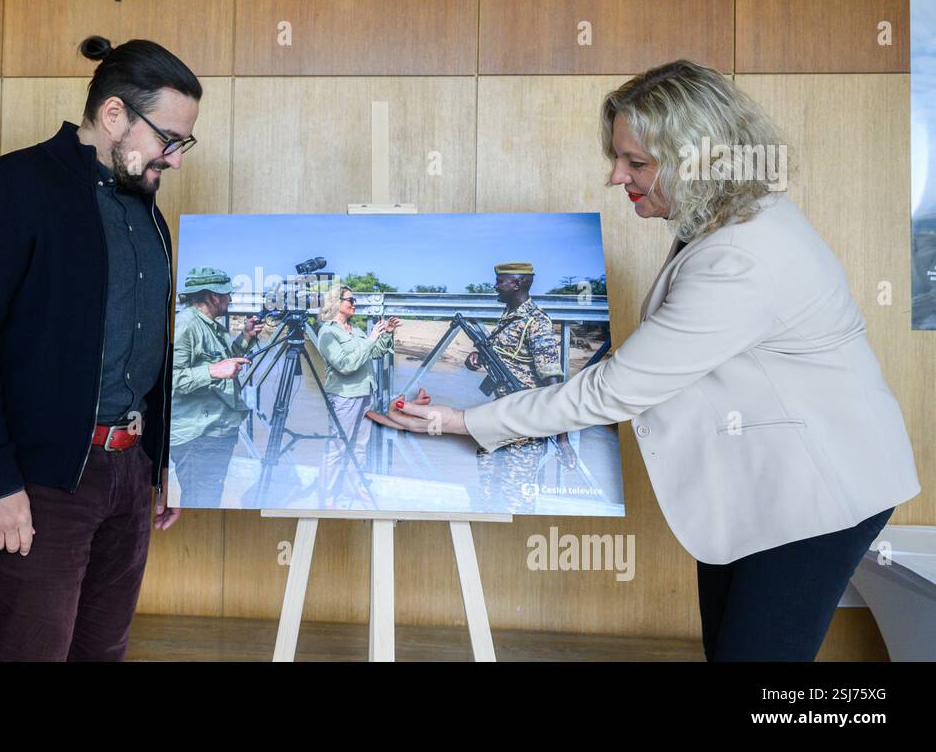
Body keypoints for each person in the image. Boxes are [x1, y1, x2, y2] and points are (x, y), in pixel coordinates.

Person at [369, 60, 921, 661]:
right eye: (618, 157)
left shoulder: (739, 255)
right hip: (770, 482)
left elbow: (613, 390)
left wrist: (461, 421)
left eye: (637, 162)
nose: (616, 177)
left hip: (813, 491)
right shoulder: (731, 222)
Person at [0, 35, 196, 661]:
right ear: (114, 116)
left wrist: (158, 465)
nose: (176, 159)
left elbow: (145, 349)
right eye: (169, 139)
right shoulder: (12, 187)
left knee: (101, 654)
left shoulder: (147, 213)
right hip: (38, 483)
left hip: (128, 478)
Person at [468, 261, 578, 512]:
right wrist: (477, 356)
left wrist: (563, 440)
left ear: (517, 284)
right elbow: (506, 356)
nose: (495, 286)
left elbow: (553, 384)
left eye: (500, 282)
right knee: (488, 488)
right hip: (497, 417)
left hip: (524, 424)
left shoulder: (536, 322)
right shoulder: (509, 315)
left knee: (516, 497)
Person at [170, 267, 261, 507]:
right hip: (197, 437)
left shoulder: (211, 325)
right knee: (200, 502)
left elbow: (226, 362)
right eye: (227, 294)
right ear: (213, 296)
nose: (230, 299)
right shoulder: (185, 325)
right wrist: (213, 371)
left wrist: (245, 339)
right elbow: (171, 379)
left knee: (210, 496)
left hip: (216, 432)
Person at [315, 285, 400, 508]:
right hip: (344, 396)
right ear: (335, 302)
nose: (355, 304)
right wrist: (371, 338)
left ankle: (354, 486)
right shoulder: (328, 333)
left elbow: (375, 352)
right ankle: (327, 493)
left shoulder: (355, 330)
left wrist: (386, 334)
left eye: (355, 301)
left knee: (360, 445)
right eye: (350, 300)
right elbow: (345, 365)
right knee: (337, 446)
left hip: (365, 393)